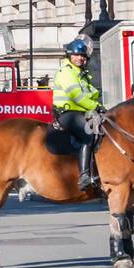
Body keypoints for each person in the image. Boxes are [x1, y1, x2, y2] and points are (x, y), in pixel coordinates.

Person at [52, 38, 103, 190]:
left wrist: (100, 106)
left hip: (81, 112)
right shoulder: (66, 72)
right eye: (76, 55)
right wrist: (97, 107)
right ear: (69, 56)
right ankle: (84, 176)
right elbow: (77, 96)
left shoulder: (81, 74)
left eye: (82, 55)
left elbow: (91, 94)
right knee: (87, 135)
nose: (80, 58)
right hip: (68, 113)